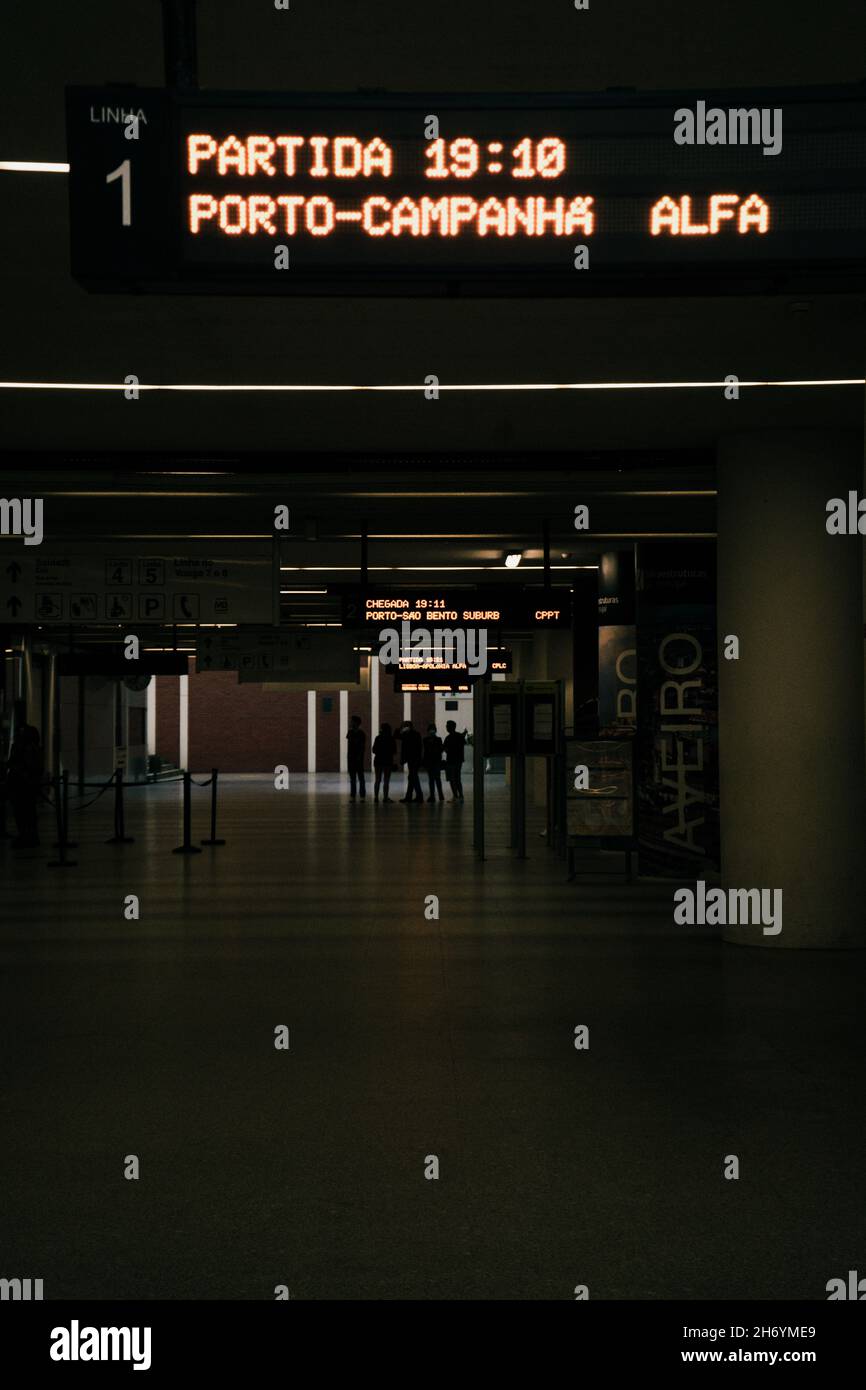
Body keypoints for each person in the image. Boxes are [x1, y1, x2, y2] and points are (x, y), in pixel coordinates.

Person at [6, 718, 43, 847]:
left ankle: (27, 836)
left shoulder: (26, 747)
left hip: (22, 784)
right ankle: (29, 836)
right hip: (25, 784)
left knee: (23, 812)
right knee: (27, 812)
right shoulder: (29, 746)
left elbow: (24, 765)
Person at [399, 720, 424, 803]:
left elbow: (412, 748)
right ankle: (416, 796)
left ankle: (414, 796)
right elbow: (396, 735)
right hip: (413, 759)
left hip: (413, 759)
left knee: (413, 777)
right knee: (413, 777)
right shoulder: (412, 734)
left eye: (405, 726)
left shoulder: (411, 735)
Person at [372, 721, 396, 802]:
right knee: (386, 780)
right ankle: (385, 798)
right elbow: (394, 751)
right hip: (388, 762)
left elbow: (374, 750)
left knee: (377, 780)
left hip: (378, 761)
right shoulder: (391, 739)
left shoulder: (378, 738)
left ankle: (376, 797)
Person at [443, 720, 465, 802]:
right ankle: (461, 795)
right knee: (458, 778)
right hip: (459, 760)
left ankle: (455, 796)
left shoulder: (448, 738)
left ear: (450, 727)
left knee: (452, 779)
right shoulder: (460, 736)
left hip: (451, 761)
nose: (446, 727)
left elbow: (445, 749)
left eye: (447, 726)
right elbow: (463, 743)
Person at [423, 723, 445, 802]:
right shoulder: (438, 739)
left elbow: (425, 752)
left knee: (432, 779)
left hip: (431, 761)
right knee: (436, 779)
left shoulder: (425, 740)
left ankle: (433, 796)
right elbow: (441, 749)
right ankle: (440, 795)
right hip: (435, 761)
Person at [346, 714, 366, 799]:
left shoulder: (361, 733)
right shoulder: (350, 732)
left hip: (358, 758)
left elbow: (362, 747)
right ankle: (353, 794)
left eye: (352, 721)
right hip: (351, 758)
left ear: (356, 723)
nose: (350, 722)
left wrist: (359, 756)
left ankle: (362, 794)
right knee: (352, 778)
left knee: (360, 777)